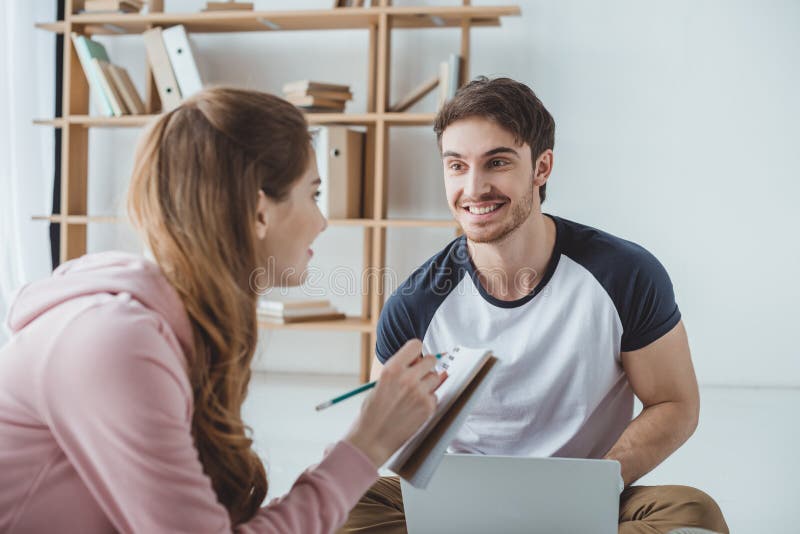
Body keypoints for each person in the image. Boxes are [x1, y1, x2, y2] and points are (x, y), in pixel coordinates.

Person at [0, 87, 444, 533]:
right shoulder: (116, 344)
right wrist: (365, 446)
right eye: (313, 194)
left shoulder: (173, 333)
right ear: (258, 211)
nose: (322, 221)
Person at [342, 77, 729, 533]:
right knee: (343, 505)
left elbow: (675, 402)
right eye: (456, 166)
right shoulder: (415, 303)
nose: (474, 187)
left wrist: (588, 488)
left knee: (692, 514)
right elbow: (385, 435)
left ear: (541, 167)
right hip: (462, 500)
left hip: (590, 491)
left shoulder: (625, 273)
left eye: (497, 162)